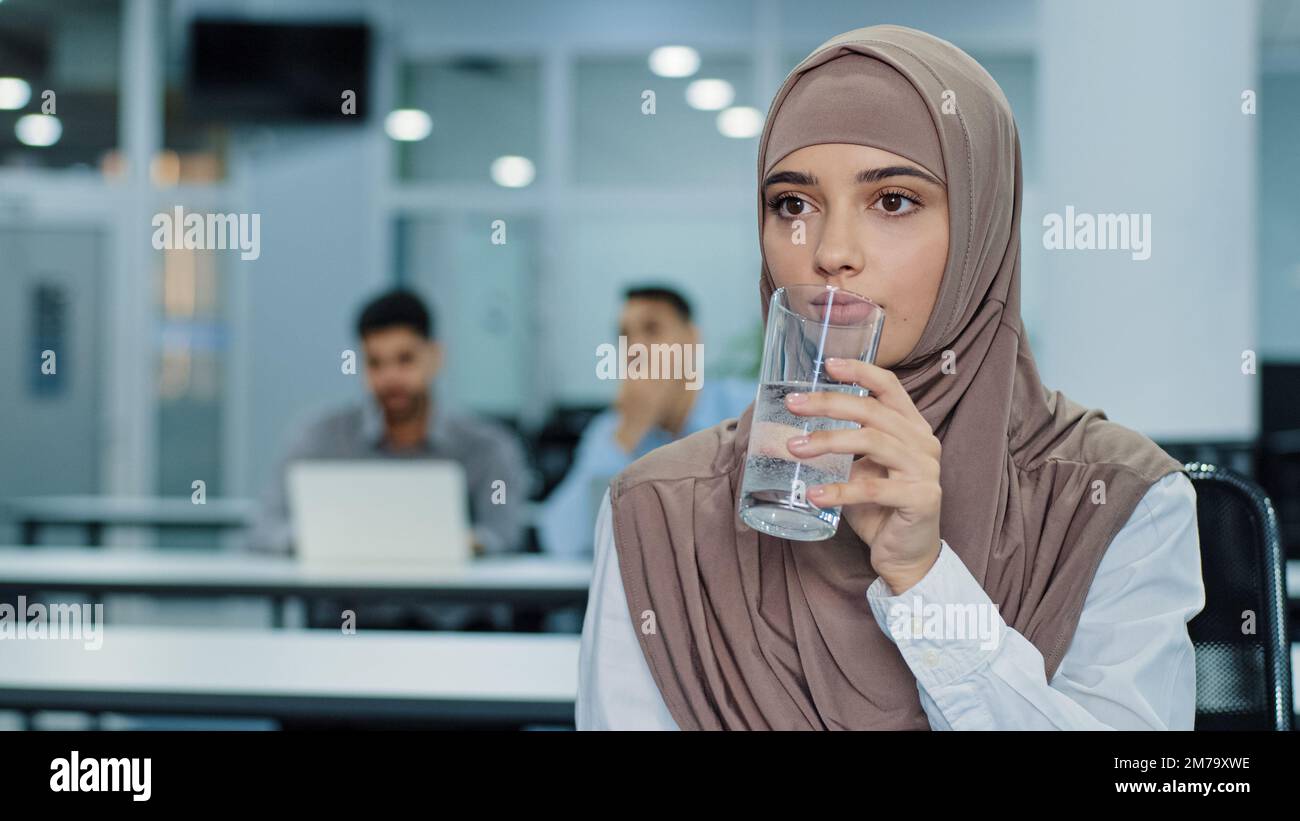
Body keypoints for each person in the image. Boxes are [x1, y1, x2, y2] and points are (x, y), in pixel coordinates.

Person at [577, 25, 1205, 730]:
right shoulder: (657, 510)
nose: (830, 252)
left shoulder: (1117, 498)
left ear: (981, 229)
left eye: (894, 201)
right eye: (792, 204)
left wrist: (927, 579)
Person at [247, 290, 531, 627]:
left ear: (435, 357)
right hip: (348, 629)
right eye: (375, 363)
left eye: (405, 359)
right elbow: (264, 527)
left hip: (454, 634)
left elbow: (504, 532)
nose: (390, 378)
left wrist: (463, 542)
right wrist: (319, 538)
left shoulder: (486, 446)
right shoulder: (320, 438)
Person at [537, 285, 754, 557]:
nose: (635, 347)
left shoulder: (747, 408)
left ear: (692, 340)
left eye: (652, 330)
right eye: (625, 335)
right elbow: (561, 541)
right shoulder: (612, 430)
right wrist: (627, 435)